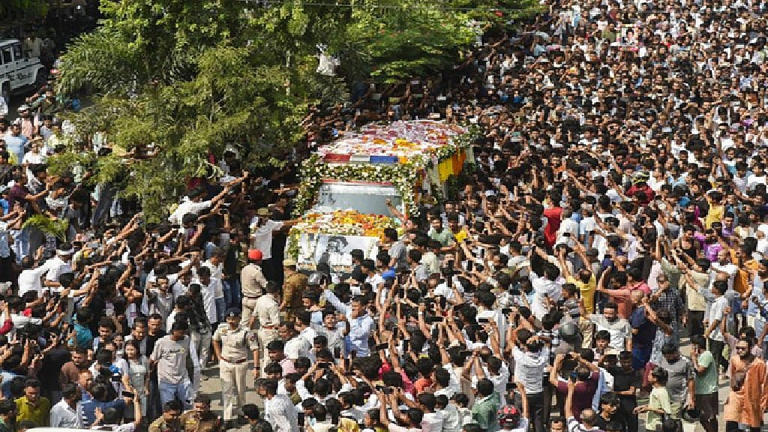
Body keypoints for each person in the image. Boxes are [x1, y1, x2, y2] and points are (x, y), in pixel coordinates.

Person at [212, 308, 258, 428]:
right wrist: (218, 356)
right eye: (229, 319)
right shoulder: (222, 329)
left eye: (234, 318)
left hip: (240, 363)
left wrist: (256, 367)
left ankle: (241, 413)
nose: (231, 321)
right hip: (226, 363)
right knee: (227, 391)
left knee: (240, 390)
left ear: (239, 318)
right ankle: (227, 418)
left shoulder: (246, 332)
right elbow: (215, 340)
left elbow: (254, 349)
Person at [150, 321, 200, 410]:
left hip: (183, 379)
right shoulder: (161, 342)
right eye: (181, 333)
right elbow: (152, 360)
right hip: (166, 380)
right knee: (168, 407)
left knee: (190, 405)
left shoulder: (186, 339)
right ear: (174, 331)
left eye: (184, 332)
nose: (182, 335)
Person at [690, 335, 718, 432]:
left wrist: (693, 359)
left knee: (706, 417)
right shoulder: (700, 356)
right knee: (705, 417)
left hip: (707, 391)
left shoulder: (706, 355)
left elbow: (700, 371)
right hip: (701, 391)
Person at [634, 367, 671, 432]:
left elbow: (666, 411)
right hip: (650, 424)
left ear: (655, 378)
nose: (648, 376)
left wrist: (649, 409)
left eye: (650, 375)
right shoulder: (654, 389)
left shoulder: (662, 392)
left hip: (657, 426)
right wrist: (643, 407)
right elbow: (654, 404)